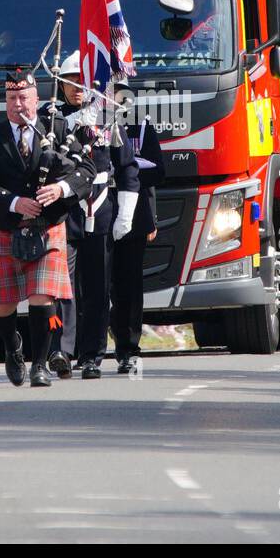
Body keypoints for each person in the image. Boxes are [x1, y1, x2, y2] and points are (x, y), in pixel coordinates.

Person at [0, 66, 95, 388]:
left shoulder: (57, 130)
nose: (18, 104)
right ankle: (13, 347)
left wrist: (61, 189)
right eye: (12, 97)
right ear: (5, 101)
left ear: (36, 97)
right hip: (6, 228)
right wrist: (14, 202)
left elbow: (86, 170)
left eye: (24, 97)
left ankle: (40, 364)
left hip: (47, 225)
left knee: (42, 297)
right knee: (3, 306)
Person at [45, 51, 139, 379]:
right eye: (69, 81)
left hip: (100, 207)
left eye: (81, 81)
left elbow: (126, 166)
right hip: (63, 211)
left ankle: (92, 354)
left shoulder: (109, 117)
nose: (76, 88)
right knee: (62, 286)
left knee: (98, 288)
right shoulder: (51, 118)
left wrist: (125, 213)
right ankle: (62, 349)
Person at [111, 115, 165, 373]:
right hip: (93, 214)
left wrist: (127, 170)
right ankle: (86, 350)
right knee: (90, 288)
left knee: (129, 288)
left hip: (133, 216)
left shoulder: (139, 126)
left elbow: (157, 170)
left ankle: (128, 348)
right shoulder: (82, 121)